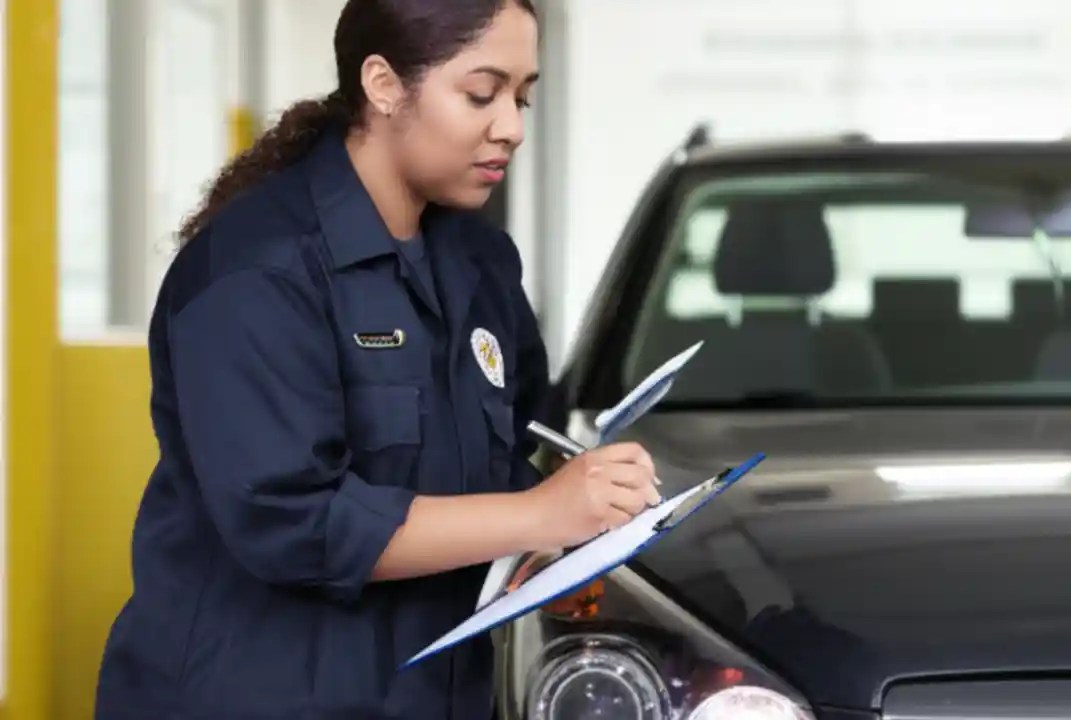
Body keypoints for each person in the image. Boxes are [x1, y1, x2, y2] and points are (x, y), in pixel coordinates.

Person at [94, 1, 661, 718]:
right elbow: (295, 522)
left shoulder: (479, 263)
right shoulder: (255, 272)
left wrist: (549, 553)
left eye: (522, 96)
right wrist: (538, 516)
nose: (512, 127)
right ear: (384, 84)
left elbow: (502, 466)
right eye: (481, 94)